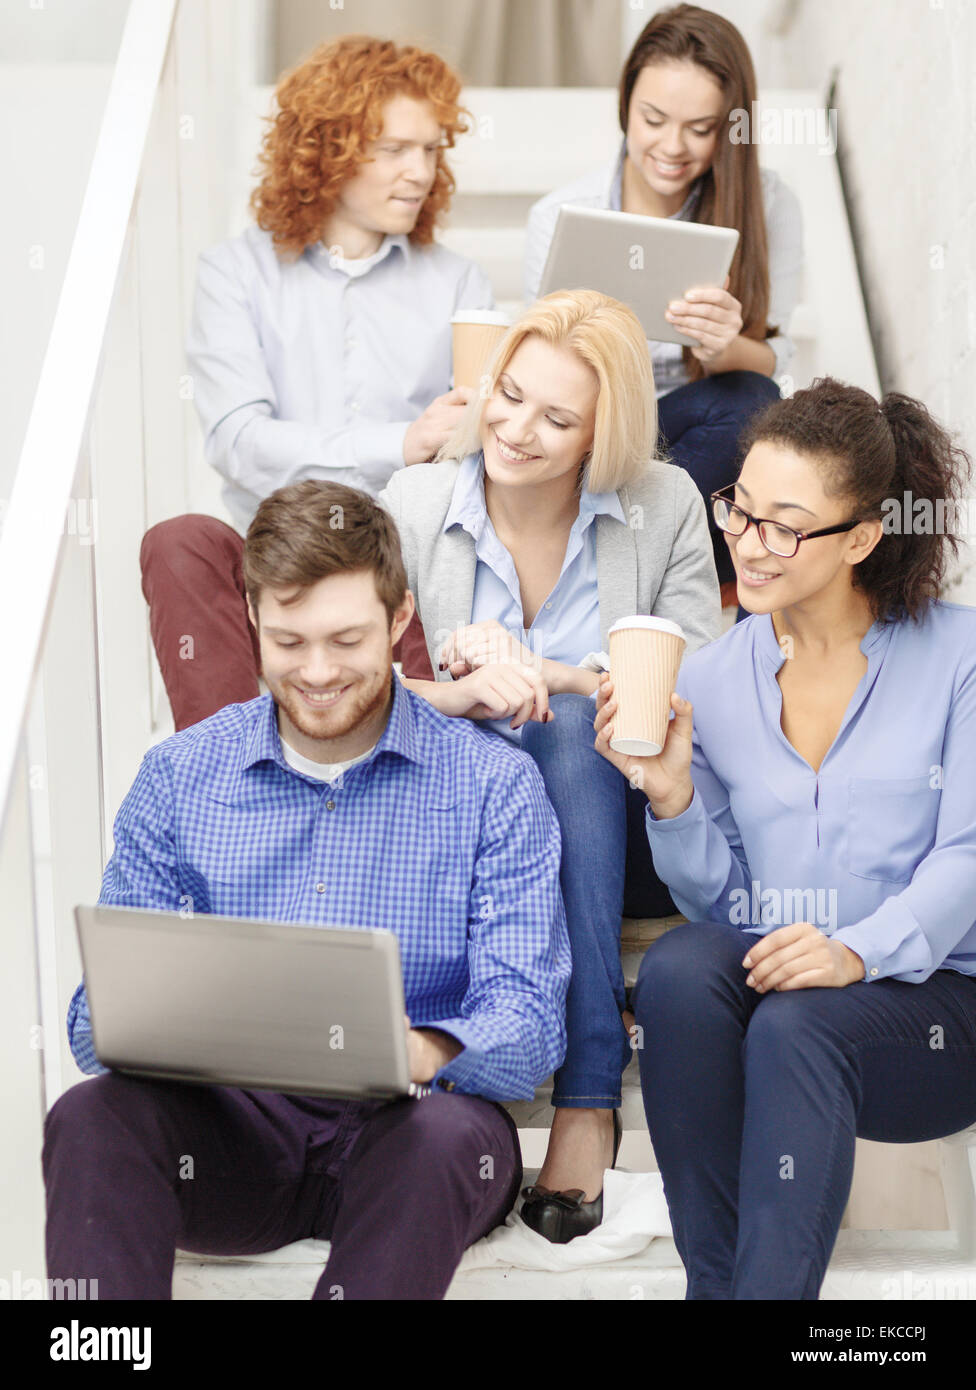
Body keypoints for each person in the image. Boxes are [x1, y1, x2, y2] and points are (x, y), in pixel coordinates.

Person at [44, 482, 571, 1301]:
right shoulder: (182, 777)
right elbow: (90, 1025)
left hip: (416, 1132)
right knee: (88, 1117)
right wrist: (182, 1022)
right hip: (237, 1141)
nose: (317, 673)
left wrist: (424, 1049)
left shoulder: (492, 785)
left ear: (399, 623)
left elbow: (532, 1025)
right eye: (288, 641)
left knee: (436, 1139)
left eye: (345, 640)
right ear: (250, 617)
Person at [594, 377, 976, 1298]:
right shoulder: (718, 679)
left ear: (861, 538)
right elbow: (728, 912)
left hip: (941, 1016)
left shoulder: (960, 657)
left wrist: (854, 951)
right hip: (787, 1015)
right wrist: (674, 797)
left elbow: (969, 857)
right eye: (740, 509)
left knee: (801, 1021)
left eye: (784, 525)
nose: (747, 543)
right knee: (684, 968)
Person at [379, 288, 722, 1242]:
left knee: (568, 731)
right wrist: (457, 686)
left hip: (612, 810)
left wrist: (566, 676)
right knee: (534, 738)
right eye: (510, 394)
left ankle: (587, 1092)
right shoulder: (414, 501)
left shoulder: (662, 505)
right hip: (461, 813)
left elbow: (711, 673)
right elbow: (356, 687)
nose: (516, 429)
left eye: (556, 417)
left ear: (599, 437)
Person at [142, 35, 495, 731]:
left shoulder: (459, 283)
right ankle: (233, 778)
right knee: (179, 541)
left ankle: (420, 772)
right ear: (327, 149)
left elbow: (477, 451)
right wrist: (401, 441)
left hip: (395, 560)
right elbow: (239, 441)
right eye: (394, 150)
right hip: (270, 555)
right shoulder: (235, 273)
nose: (419, 172)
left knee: (438, 561)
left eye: (430, 151)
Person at [524, 3, 803, 589]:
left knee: (750, 398)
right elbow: (537, 369)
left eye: (700, 130)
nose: (672, 148)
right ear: (625, 102)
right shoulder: (562, 216)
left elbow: (773, 365)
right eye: (653, 119)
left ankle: (616, 573)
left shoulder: (767, 206)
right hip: (591, 436)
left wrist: (724, 345)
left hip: (689, 448)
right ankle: (645, 572)